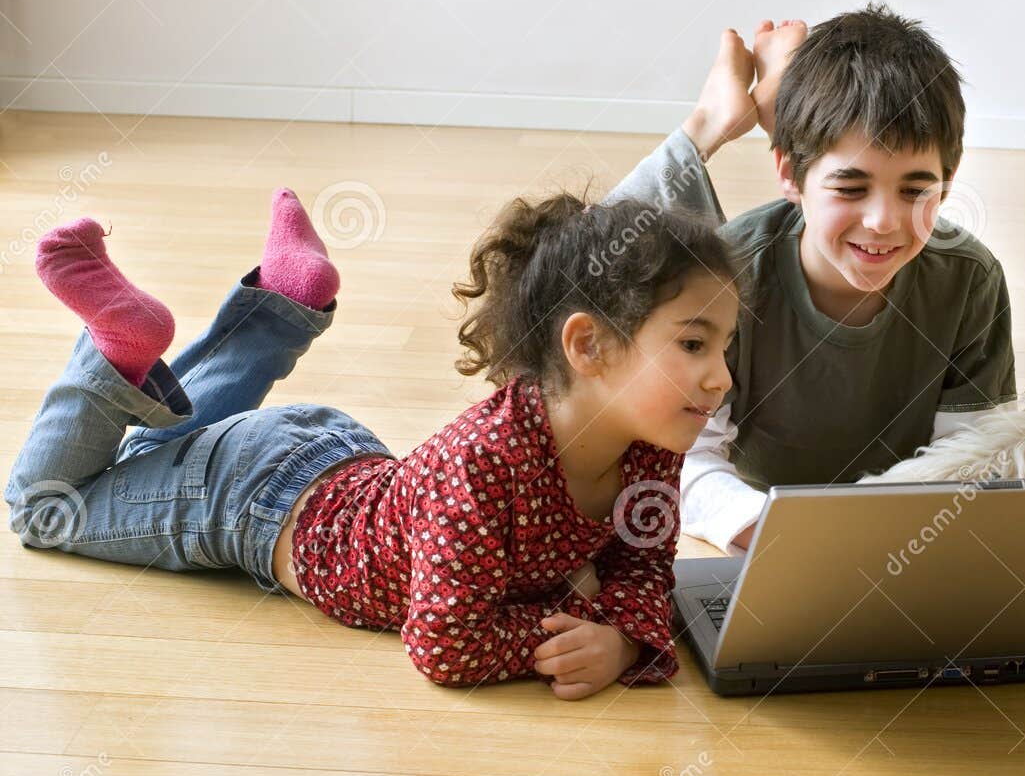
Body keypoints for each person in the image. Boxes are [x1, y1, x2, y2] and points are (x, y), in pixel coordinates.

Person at [6, 189, 739, 698]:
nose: (721, 379)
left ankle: (284, 305)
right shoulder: (486, 461)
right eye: (694, 344)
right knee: (43, 509)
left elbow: (642, 566)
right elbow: (445, 643)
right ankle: (116, 345)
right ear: (587, 345)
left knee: (163, 451)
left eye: (727, 347)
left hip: (330, 456)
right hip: (251, 500)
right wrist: (577, 625)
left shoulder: (653, 446)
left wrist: (623, 640)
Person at [610, 5, 1016, 552]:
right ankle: (712, 120)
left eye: (917, 190)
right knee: (607, 280)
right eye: (851, 188)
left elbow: (970, 462)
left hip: (901, 544)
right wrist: (789, 539)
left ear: (949, 182)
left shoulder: (970, 278)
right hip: (770, 532)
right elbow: (687, 462)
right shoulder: (727, 275)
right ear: (787, 175)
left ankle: (789, 103)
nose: (884, 222)